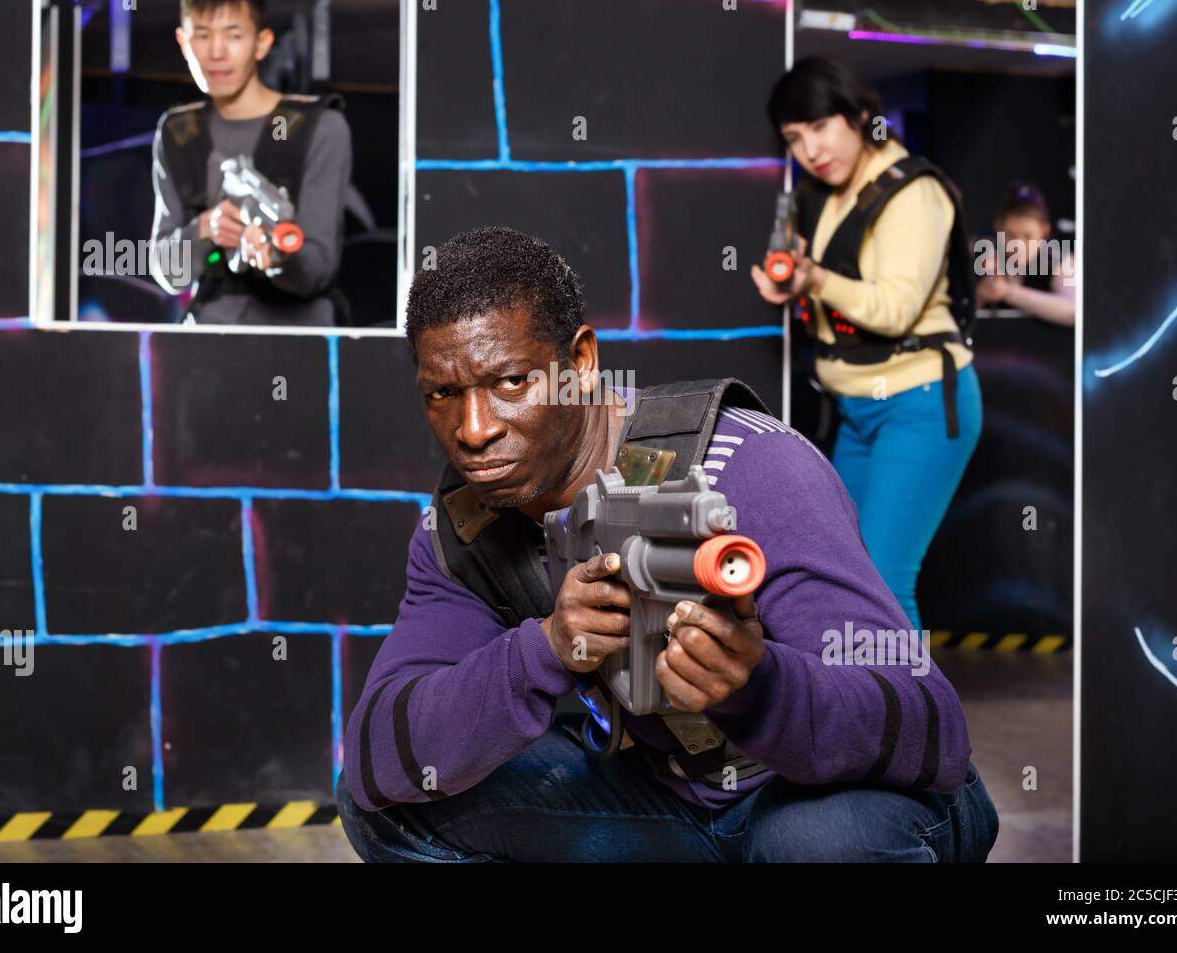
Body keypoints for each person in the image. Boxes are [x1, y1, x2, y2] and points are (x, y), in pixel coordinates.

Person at [336, 225, 999, 863]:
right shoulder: (468, 523)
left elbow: (933, 729)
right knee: (391, 806)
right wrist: (545, 650)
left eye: (511, 382)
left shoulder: (749, 465)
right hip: (673, 801)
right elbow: (377, 757)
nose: (474, 429)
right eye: (442, 394)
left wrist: (760, 685)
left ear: (581, 361)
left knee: (819, 845)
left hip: (814, 800)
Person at [749, 56, 982, 632]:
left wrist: (814, 281)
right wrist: (789, 289)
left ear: (860, 117)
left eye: (822, 127)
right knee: (843, 574)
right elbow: (823, 291)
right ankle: (862, 717)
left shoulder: (915, 191)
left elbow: (896, 307)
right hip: (856, 410)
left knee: (884, 579)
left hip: (922, 401)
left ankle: (916, 722)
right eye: (794, 139)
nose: (810, 150)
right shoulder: (821, 195)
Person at [149, 0, 352, 325]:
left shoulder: (319, 127)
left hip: (298, 342)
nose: (216, 52)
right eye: (202, 34)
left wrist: (277, 258)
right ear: (184, 43)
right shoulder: (179, 132)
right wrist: (205, 230)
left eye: (233, 35)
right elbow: (167, 271)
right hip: (208, 346)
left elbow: (318, 267)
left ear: (261, 42)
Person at [976, 182, 1076, 326]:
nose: (1018, 245)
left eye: (1028, 236)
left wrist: (1009, 292)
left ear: (1044, 232)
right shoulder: (980, 254)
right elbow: (951, 316)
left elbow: (1073, 312)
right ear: (998, 228)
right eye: (1010, 235)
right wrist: (980, 294)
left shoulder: (1060, 259)